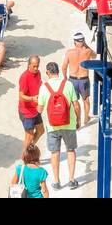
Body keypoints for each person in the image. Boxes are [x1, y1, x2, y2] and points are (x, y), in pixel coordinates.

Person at [38, 61, 81, 190]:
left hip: (52, 126)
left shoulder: (44, 87)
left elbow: (39, 110)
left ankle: (56, 181)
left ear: (48, 72)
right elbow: (76, 105)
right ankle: (72, 180)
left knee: (55, 152)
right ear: (58, 71)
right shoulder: (68, 84)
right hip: (69, 124)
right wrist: (78, 120)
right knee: (71, 150)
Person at [62, 32, 96, 124]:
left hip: (72, 80)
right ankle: (86, 118)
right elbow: (95, 55)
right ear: (83, 41)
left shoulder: (69, 52)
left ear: (75, 42)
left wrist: (65, 78)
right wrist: (86, 45)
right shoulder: (87, 52)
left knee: (74, 102)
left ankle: (78, 120)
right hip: (84, 79)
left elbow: (64, 67)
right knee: (86, 100)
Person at [17, 55, 45, 151]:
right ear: (29, 65)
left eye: (37, 66)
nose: (36, 68)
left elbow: (39, 85)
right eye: (34, 66)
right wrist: (32, 99)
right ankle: (25, 157)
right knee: (29, 135)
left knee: (41, 130)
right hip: (26, 111)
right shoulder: (25, 77)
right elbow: (21, 96)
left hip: (35, 109)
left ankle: (30, 148)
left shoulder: (38, 73)